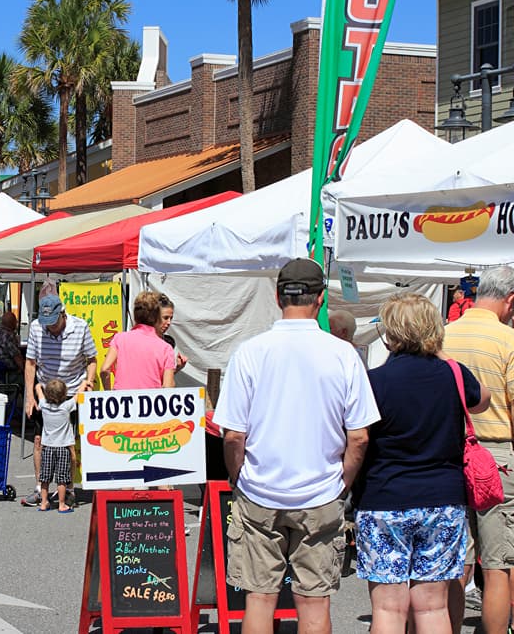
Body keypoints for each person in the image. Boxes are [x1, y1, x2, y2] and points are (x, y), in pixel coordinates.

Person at [212, 258, 380, 633]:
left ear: (277, 296)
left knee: (259, 597)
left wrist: (238, 477)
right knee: (315, 601)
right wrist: (342, 483)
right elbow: (360, 436)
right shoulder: (343, 355)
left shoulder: (249, 352)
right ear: (320, 299)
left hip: (260, 490)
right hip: (320, 491)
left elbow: (234, 435)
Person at [356, 293, 490, 634]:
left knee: (388, 608)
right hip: (442, 500)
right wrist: (440, 352)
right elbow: (482, 401)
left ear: (390, 334)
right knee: (432, 607)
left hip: (385, 497)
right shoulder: (454, 374)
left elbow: (358, 437)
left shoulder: (375, 381)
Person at [443, 266, 514, 634]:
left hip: (452, 453)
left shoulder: (445, 334)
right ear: (512, 300)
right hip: (498, 456)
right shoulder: (511, 340)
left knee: (456, 559)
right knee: (498, 563)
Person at [22, 293, 97, 508]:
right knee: (39, 441)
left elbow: (92, 359)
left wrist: (89, 383)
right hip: (46, 393)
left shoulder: (80, 327)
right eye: (47, 323)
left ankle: (69, 489)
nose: (50, 327)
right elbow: (30, 363)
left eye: (53, 322)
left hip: (72, 391)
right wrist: (30, 397)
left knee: (69, 446)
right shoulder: (37, 327)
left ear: (62, 314)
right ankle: (40, 488)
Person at [100, 291, 175, 390]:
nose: (168, 322)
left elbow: (104, 369)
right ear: (157, 316)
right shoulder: (166, 348)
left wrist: (108, 394)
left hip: (122, 401)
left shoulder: (119, 338)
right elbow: (168, 386)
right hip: (150, 401)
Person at [34, 378, 77, 513]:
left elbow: (39, 394)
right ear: (64, 394)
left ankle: (44, 502)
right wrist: (84, 384)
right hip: (63, 448)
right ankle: (62, 504)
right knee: (62, 479)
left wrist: (38, 387)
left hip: (47, 447)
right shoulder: (66, 407)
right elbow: (78, 396)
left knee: (45, 478)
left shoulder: (44, 406)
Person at [0, 310, 24, 381]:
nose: (16, 323)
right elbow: (16, 357)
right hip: (7, 371)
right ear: (12, 323)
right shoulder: (8, 336)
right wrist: (24, 368)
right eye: (15, 321)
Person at [156, 294, 188, 372]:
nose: (169, 322)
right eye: (165, 318)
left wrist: (177, 368)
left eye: (171, 318)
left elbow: (163, 379)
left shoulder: (167, 343)